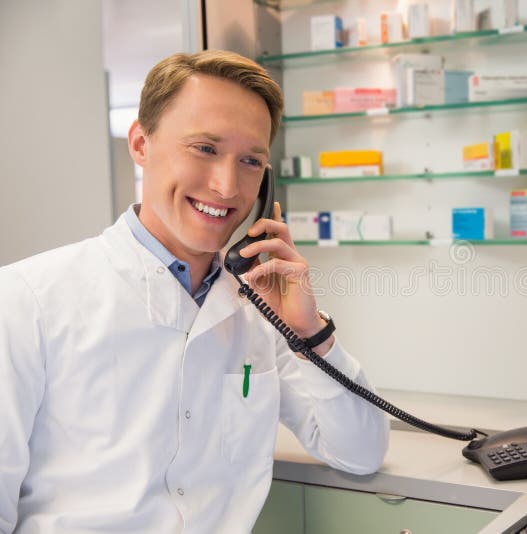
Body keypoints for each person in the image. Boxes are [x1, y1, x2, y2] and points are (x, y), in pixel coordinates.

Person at [0, 50, 389, 533]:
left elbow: (359, 453)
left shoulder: (262, 314)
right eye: (204, 148)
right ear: (141, 143)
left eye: (250, 160)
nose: (227, 186)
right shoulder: (26, 299)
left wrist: (312, 334)